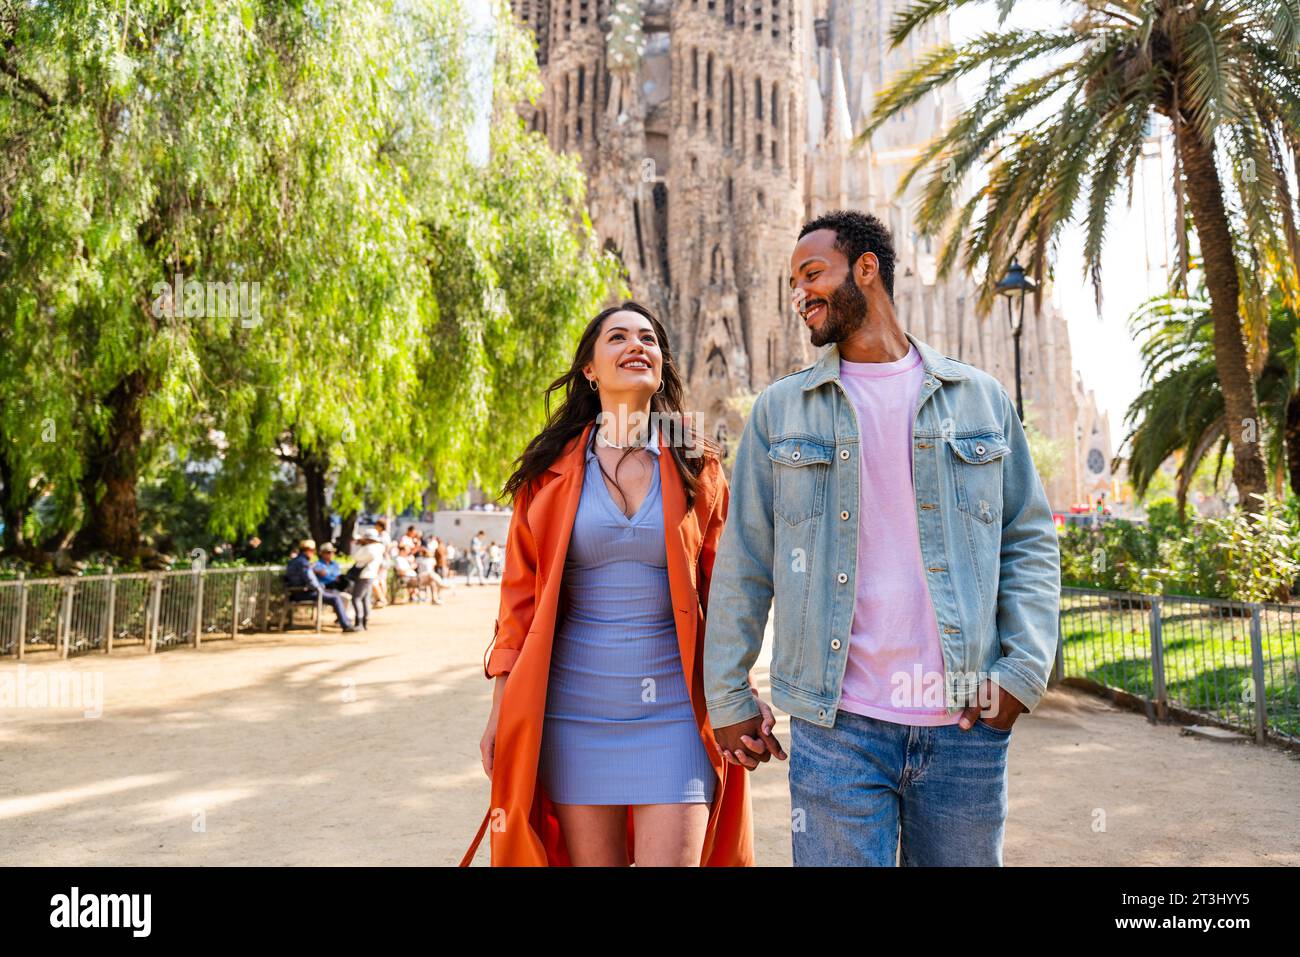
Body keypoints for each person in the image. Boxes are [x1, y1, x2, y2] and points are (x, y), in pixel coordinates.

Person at [703, 210, 1060, 867]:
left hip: (964, 724)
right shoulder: (780, 413)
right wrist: (725, 695)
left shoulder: (979, 399)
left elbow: (1029, 537)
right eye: (792, 283)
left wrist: (1023, 669)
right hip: (837, 726)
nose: (799, 294)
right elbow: (746, 558)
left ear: (867, 268)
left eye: (813, 274)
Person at [464, 301, 762, 867]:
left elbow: (729, 595)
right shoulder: (548, 473)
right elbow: (519, 604)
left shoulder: (697, 465)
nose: (636, 346)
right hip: (575, 713)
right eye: (618, 337)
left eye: (648, 338)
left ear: (660, 364)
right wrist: (500, 710)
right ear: (590, 370)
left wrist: (737, 691)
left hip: (676, 712)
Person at [284, 539, 356, 632]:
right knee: (335, 598)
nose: (314, 554)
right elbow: (310, 580)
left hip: (299, 591)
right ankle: (346, 625)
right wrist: (320, 588)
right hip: (301, 593)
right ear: (309, 551)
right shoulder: (303, 563)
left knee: (335, 594)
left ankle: (344, 621)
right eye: (313, 551)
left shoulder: (296, 561)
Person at [349, 528, 386, 631]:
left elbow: (355, 557)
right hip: (371, 576)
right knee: (365, 599)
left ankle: (359, 622)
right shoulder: (379, 548)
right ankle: (364, 622)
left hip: (364, 576)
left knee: (356, 599)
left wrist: (357, 544)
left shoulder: (369, 548)